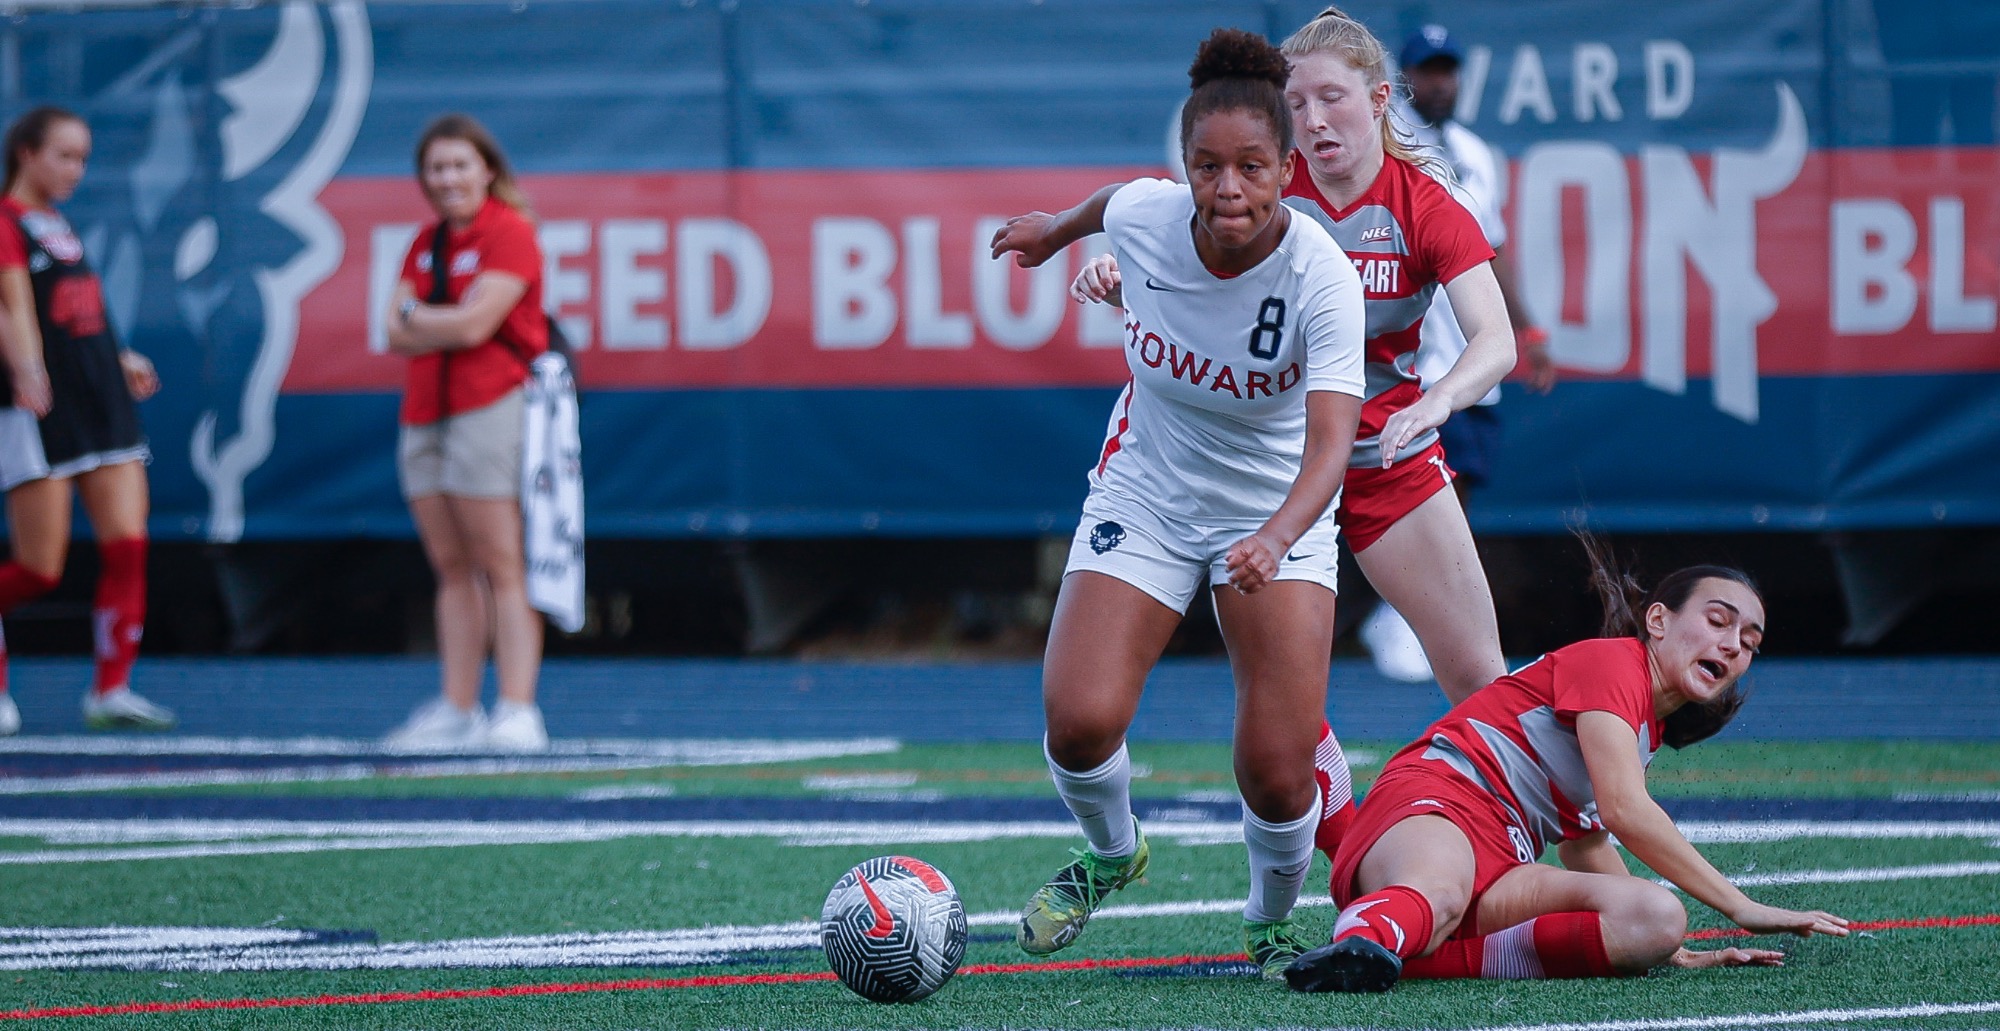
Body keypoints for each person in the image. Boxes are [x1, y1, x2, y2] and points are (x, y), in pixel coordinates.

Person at [1073, 7, 1521, 860]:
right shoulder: (1266, 184)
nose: (1314, 121)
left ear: (1380, 100)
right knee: (1278, 708)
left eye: (1332, 99)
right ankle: (1356, 860)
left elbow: (1494, 341)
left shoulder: (1427, 203)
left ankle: (1542, 854)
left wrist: (1439, 402)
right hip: (1266, 463)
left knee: (1480, 678)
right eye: (1297, 104)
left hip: (1384, 451)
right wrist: (1120, 274)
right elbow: (1173, 258)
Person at [990, 28, 1367, 979]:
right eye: (1207, 167)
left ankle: (1270, 919)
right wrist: (1051, 232)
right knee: (1078, 718)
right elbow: (1109, 205)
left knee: (1276, 770)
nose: (1228, 189)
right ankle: (1113, 852)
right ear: (1185, 166)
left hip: (1276, 512)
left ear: (1288, 169)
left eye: (1251, 167)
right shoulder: (1150, 214)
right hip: (1149, 491)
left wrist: (1276, 535)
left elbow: (1331, 447)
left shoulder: (1322, 277)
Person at [1283, 539, 1851, 992]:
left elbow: (1585, 842)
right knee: (1442, 890)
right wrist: (1741, 906)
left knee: (1655, 918)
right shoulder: (1613, 666)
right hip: (1439, 805)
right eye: (1719, 620)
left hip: (1505, 860)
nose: (1732, 646)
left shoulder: (1643, 729)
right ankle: (1369, 936)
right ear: (1657, 621)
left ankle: (1410, 955)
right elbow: (1625, 810)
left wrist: (1673, 951)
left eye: (1749, 642)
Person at [1357, 22, 1557, 684]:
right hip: (1401, 354)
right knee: (1395, 483)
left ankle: (1413, 616)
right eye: (1428, 71)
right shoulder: (1384, 142)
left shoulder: (1473, 151)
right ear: (1403, 82)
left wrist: (1527, 331)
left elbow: (1491, 247)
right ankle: (1397, 612)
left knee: (1454, 483)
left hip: (1469, 354)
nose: (1440, 83)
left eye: (1448, 70)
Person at [0, 106, 173, 734]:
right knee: (38, 569)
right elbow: (14, 307)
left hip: (102, 404)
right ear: (27, 154)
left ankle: (111, 689)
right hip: (44, 410)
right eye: (65, 156)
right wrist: (28, 370)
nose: (76, 170)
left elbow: (76, 310)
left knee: (128, 544)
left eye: (83, 158)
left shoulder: (58, 224)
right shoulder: (6, 221)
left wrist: (120, 357)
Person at [380, 114, 549, 752]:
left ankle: (518, 706)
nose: (447, 178)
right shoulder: (424, 241)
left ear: (488, 170)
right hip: (425, 409)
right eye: (436, 167)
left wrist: (418, 315)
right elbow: (391, 332)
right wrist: (434, 319)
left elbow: (477, 326)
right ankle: (458, 706)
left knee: (500, 562)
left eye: (459, 165)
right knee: (450, 566)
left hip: (489, 403)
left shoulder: (511, 232)